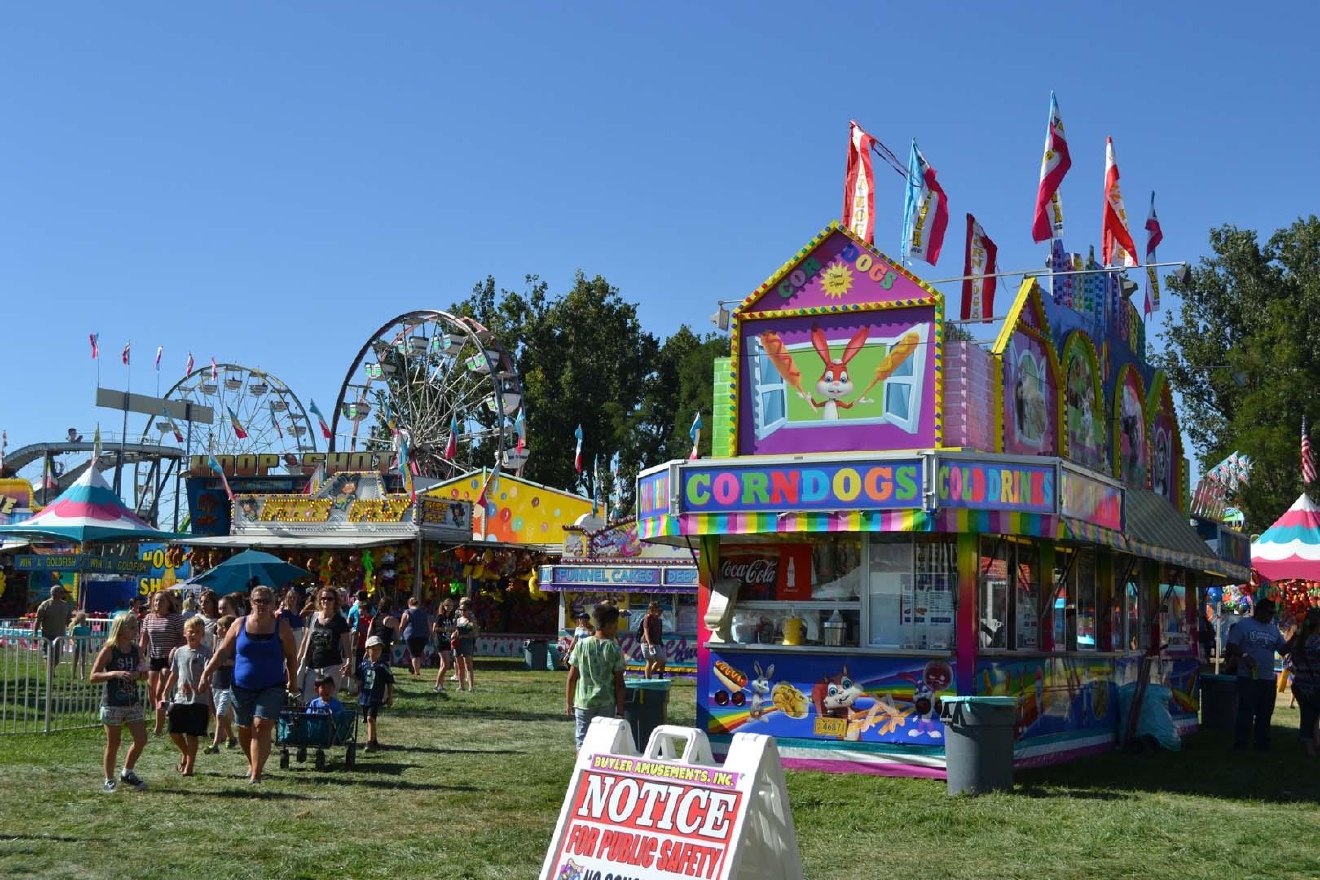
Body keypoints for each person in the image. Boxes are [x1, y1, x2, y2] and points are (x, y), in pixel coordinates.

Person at [200, 585, 299, 784]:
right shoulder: (239, 624)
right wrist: (205, 674)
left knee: (261, 725)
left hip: (272, 686)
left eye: (266, 601)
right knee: (244, 730)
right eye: (257, 601)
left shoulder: (281, 627)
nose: (261, 605)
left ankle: (256, 774)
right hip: (241, 687)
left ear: (273, 604)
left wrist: (293, 683)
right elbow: (222, 652)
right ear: (251, 603)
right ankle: (252, 763)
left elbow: (291, 657)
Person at [89, 612, 149, 792]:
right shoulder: (109, 650)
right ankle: (109, 778)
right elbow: (93, 676)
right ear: (120, 629)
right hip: (112, 703)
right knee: (113, 743)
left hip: (132, 702)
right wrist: (114, 673)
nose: (135, 630)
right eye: (131, 627)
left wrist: (137, 674)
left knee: (141, 739)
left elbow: (145, 673)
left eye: (135, 627)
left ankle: (127, 772)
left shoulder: (136, 649)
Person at [1226, 598, 1291, 751]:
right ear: (1260, 610)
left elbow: (1282, 650)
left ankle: (1261, 744)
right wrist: (1244, 656)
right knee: (1246, 712)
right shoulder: (1244, 625)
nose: (1271, 616)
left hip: (1267, 679)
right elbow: (1230, 645)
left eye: (1273, 613)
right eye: (1269, 612)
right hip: (1248, 677)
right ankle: (1241, 745)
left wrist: (1295, 639)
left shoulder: (1273, 629)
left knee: (1265, 713)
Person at [565, 605, 626, 751]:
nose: (616, 628)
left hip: (583, 703)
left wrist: (569, 702)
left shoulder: (581, 645)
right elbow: (619, 684)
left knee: (582, 743)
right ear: (608, 625)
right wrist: (621, 710)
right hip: (606, 703)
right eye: (615, 624)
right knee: (604, 744)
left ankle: (581, 773)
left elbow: (571, 678)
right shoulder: (615, 649)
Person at [162, 617, 212, 776]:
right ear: (185, 633)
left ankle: (189, 766)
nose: (193, 635)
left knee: (192, 734)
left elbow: (207, 673)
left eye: (197, 632)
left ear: (202, 634)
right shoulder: (179, 652)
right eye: (191, 631)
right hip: (180, 698)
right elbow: (174, 673)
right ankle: (185, 753)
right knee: (173, 730)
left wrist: (200, 684)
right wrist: (165, 690)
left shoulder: (206, 652)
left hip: (198, 699)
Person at [297, 587, 354, 702]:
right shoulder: (313, 618)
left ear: (335, 601)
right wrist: (298, 660)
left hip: (332, 667)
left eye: (329, 598)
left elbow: (347, 645)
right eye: (323, 598)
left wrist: (349, 662)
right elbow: (305, 641)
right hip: (313, 666)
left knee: (328, 701)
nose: (326, 601)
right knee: (308, 701)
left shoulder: (340, 621)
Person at [140, 591, 185, 736]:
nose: (157, 603)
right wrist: (138, 656)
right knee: (151, 693)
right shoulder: (148, 618)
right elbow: (144, 640)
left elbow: (183, 638)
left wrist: (175, 649)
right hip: (154, 658)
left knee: (160, 693)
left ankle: (158, 727)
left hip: (169, 659)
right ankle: (168, 708)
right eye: (155, 601)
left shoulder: (175, 618)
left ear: (168, 603)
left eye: (160, 601)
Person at [203, 615, 238, 754]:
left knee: (220, 713)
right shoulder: (217, 641)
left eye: (219, 627)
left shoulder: (234, 644)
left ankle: (215, 744)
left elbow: (237, 661)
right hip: (217, 681)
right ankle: (231, 737)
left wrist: (222, 662)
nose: (217, 629)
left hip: (229, 681)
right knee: (220, 713)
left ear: (226, 629)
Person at [1288, 608, 1320, 756]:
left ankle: (1310, 748)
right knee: (1312, 716)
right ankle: (1313, 747)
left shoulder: (1300, 641)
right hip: (1315, 684)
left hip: (1300, 684)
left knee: (1308, 716)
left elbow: (1294, 661)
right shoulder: (1317, 641)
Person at [357, 635, 395, 751]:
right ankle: (375, 741)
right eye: (374, 649)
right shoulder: (363, 665)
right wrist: (348, 674)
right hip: (364, 697)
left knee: (370, 719)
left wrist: (389, 696)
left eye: (379, 649)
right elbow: (358, 678)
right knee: (369, 720)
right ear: (368, 650)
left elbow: (389, 682)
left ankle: (369, 743)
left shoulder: (383, 666)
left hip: (376, 697)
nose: (377, 652)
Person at [32, 585, 72, 669]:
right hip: (47, 635)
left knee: (58, 656)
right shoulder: (45, 605)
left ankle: (51, 669)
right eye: (61, 592)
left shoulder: (65, 605)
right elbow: (38, 620)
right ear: (54, 593)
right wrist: (34, 633)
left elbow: (69, 620)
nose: (63, 594)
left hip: (60, 635)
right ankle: (49, 673)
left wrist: (72, 631)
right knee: (48, 655)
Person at [347, 591, 375, 686]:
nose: (359, 612)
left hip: (369, 646)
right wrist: (354, 646)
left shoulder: (372, 620)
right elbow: (357, 633)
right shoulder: (361, 620)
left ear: (365, 610)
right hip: (360, 646)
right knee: (359, 666)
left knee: (369, 666)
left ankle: (367, 684)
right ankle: (358, 685)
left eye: (360, 610)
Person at [399, 596, 430, 677]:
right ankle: (413, 668)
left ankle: (417, 672)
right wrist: (431, 634)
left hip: (410, 635)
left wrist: (399, 634)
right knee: (418, 654)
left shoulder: (407, 612)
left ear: (409, 604)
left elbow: (402, 625)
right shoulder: (423, 612)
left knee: (414, 654)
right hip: (423, 635)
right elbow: (428, 624)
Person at [431, 598, 457, 692]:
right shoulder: (440, 616)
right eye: (447, 605)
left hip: (447, 641)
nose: (449, 607)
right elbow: (435, 628)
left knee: (442, 665)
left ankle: (440, 686)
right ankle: (437, 685)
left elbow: (452, 628)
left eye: (451, 606)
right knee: (446, 665)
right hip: (440, 641)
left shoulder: (450, 617)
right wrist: (447, 629)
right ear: (444, 606)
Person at [454, 598, 479, 692]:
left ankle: (471, 687)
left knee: (468, 665)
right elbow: (456, 631)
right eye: (460, 610)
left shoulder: (471, 620)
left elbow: (474, 633)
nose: (462, 612)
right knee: (459, 666)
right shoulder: (458, 619)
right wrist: (454, 635)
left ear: (469, 610)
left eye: (464, 610)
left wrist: (463, 636)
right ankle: (461, 686)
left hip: (467, 644)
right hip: (458, 644)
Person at [640, 602, 667, 679]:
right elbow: (646, 631)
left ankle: (648, 675)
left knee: (661, 659)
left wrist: (659, 642)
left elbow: (658, 632)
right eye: (655, 609)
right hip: (647, 642)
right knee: (650, 661)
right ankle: (647, 679)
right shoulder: (647, 617)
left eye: (657, 609)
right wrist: (649, 643)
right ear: (651, 609)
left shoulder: (657, 619)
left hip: (657, 642)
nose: (657, 610)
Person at [70, 610, 93, 679]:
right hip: (77, 646)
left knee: (84, 661)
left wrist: (89, 647)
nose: (83, 619)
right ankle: (73, 675)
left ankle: (82, 675)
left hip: (84, 646)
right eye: (82, 618)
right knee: (75, 660)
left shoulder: (88, 628)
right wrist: (73, 643)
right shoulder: (76, 628)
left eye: (84, 618)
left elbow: (89, 639)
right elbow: (71, 637)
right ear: (79, 619)